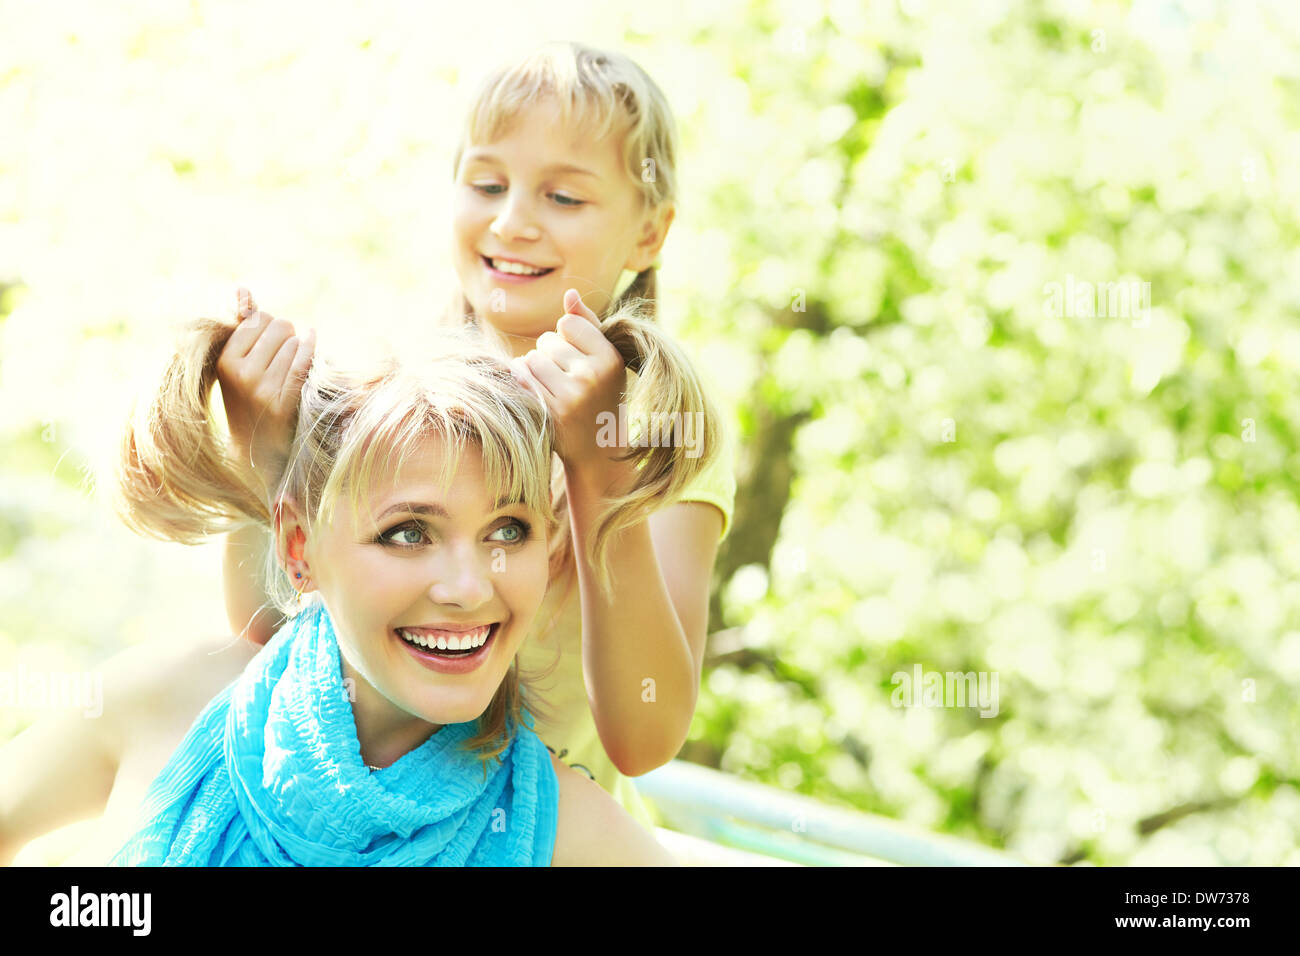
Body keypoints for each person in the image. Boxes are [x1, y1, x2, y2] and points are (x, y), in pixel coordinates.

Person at [219, 42, 737, 827]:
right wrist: (263, 458)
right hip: (380, 822)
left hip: (551, 833)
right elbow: (267, 633)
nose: (512, 221)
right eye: (487, 183)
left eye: (564, 198)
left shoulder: (663, 423)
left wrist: (601, 478)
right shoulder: (391, 383)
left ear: (649, 234)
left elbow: (647, 730)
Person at [0, 314, 707, 865]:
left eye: (507, 530)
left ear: (552, 547)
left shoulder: (566, 833)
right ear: (299, 547)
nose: (467, 587)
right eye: (408, 533)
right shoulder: (165, 700)